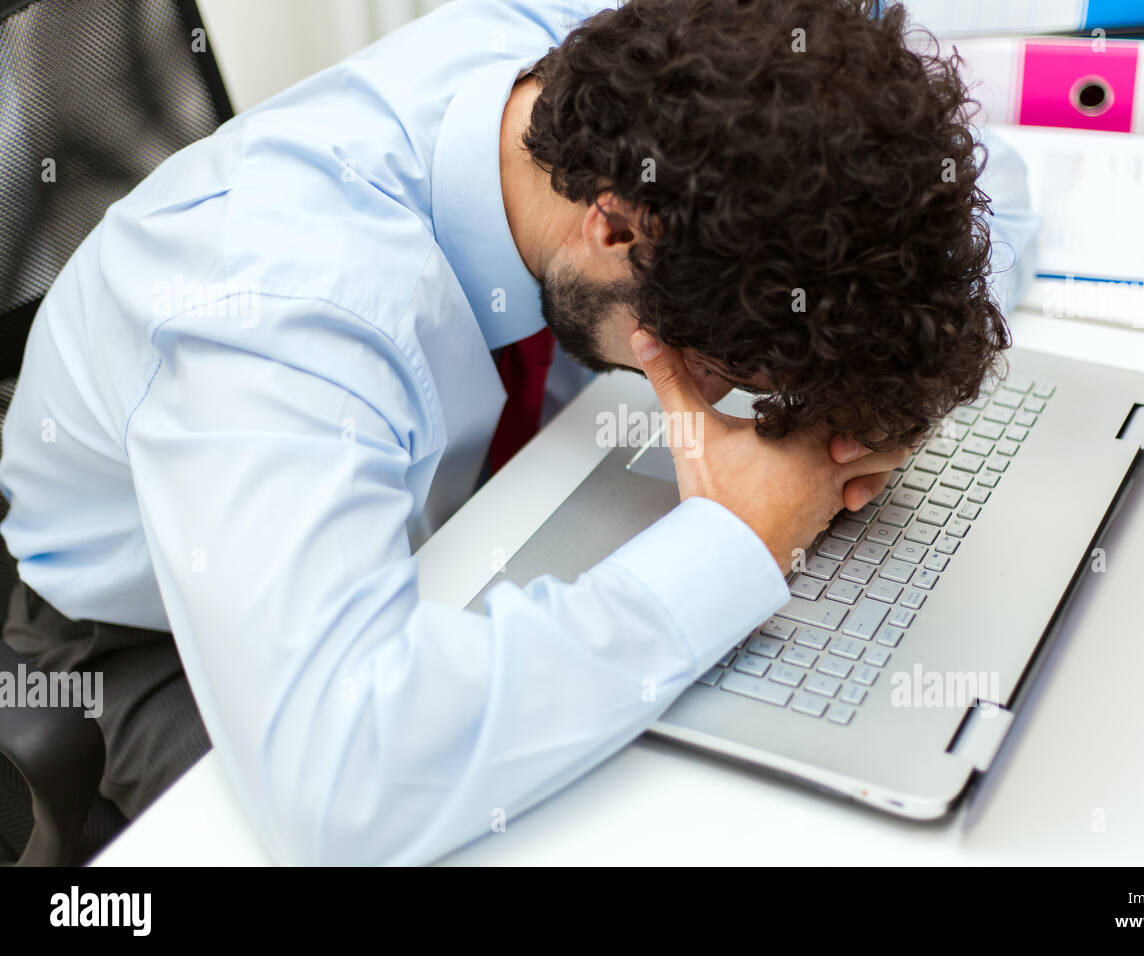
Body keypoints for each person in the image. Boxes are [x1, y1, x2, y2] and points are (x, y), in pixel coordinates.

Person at [0, 0, 1037, 864]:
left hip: (485, 500)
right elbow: (345, 778)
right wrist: (732, 545)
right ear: (617, 226)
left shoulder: (622, 62)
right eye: (735, 379)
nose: (757, 409)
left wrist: (861, 414)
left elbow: (973, 172)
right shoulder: (281, 308)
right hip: (149, 642)